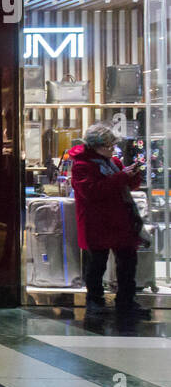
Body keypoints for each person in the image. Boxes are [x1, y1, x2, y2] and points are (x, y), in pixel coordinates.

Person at [68, 122, 150, 328]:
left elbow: (127, 185)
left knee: (127, 264)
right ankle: (95, 301)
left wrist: (133, 174)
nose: (112, 149)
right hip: (98, 223)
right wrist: (122, 177)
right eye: (108, 145)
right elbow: (92, 192)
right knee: (96, 265)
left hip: (120, 222)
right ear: (95, 146)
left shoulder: (113, 162)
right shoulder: (81, 166)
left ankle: (126, 301)